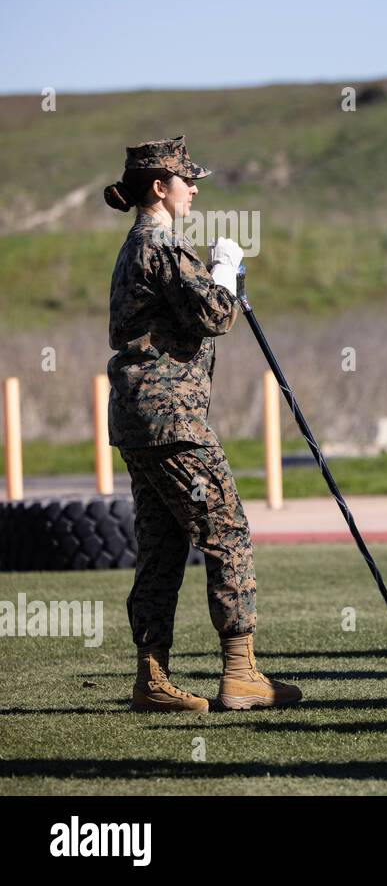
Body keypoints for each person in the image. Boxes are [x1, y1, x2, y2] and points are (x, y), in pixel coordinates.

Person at [105, 136, 301, 713]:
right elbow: (214, 314)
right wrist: (224, 269)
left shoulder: (140, 245)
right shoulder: (161, 244)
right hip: (172, 421)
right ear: (159, 187)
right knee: (228, 530)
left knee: (163, 546)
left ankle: (152, 677)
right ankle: (240, 673)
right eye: (187, 180)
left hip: (143, 420)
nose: (195, 189)